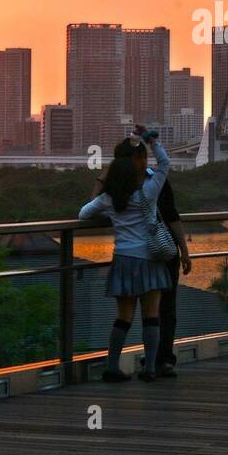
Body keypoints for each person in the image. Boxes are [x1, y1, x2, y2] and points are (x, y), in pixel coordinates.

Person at [79, 126, 173, 381]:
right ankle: (150, 368)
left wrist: (100, 181)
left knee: (123, 317)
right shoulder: (150, 191)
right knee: (151, 315)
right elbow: (164, 164)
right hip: (150, 258)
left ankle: (112, 367)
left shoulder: (110, 198)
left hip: (123, 260)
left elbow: (83, 213)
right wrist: (152, 141)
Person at [119, 138, 192, 377]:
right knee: (161, 308)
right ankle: (158, 361)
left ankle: (156, 361)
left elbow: (171, 214)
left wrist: (184, 249)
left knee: (154, 308)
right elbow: (172, 215)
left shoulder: (123, 185)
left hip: (149, 252)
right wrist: (183, 249)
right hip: (155, 251)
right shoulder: (152, 180)